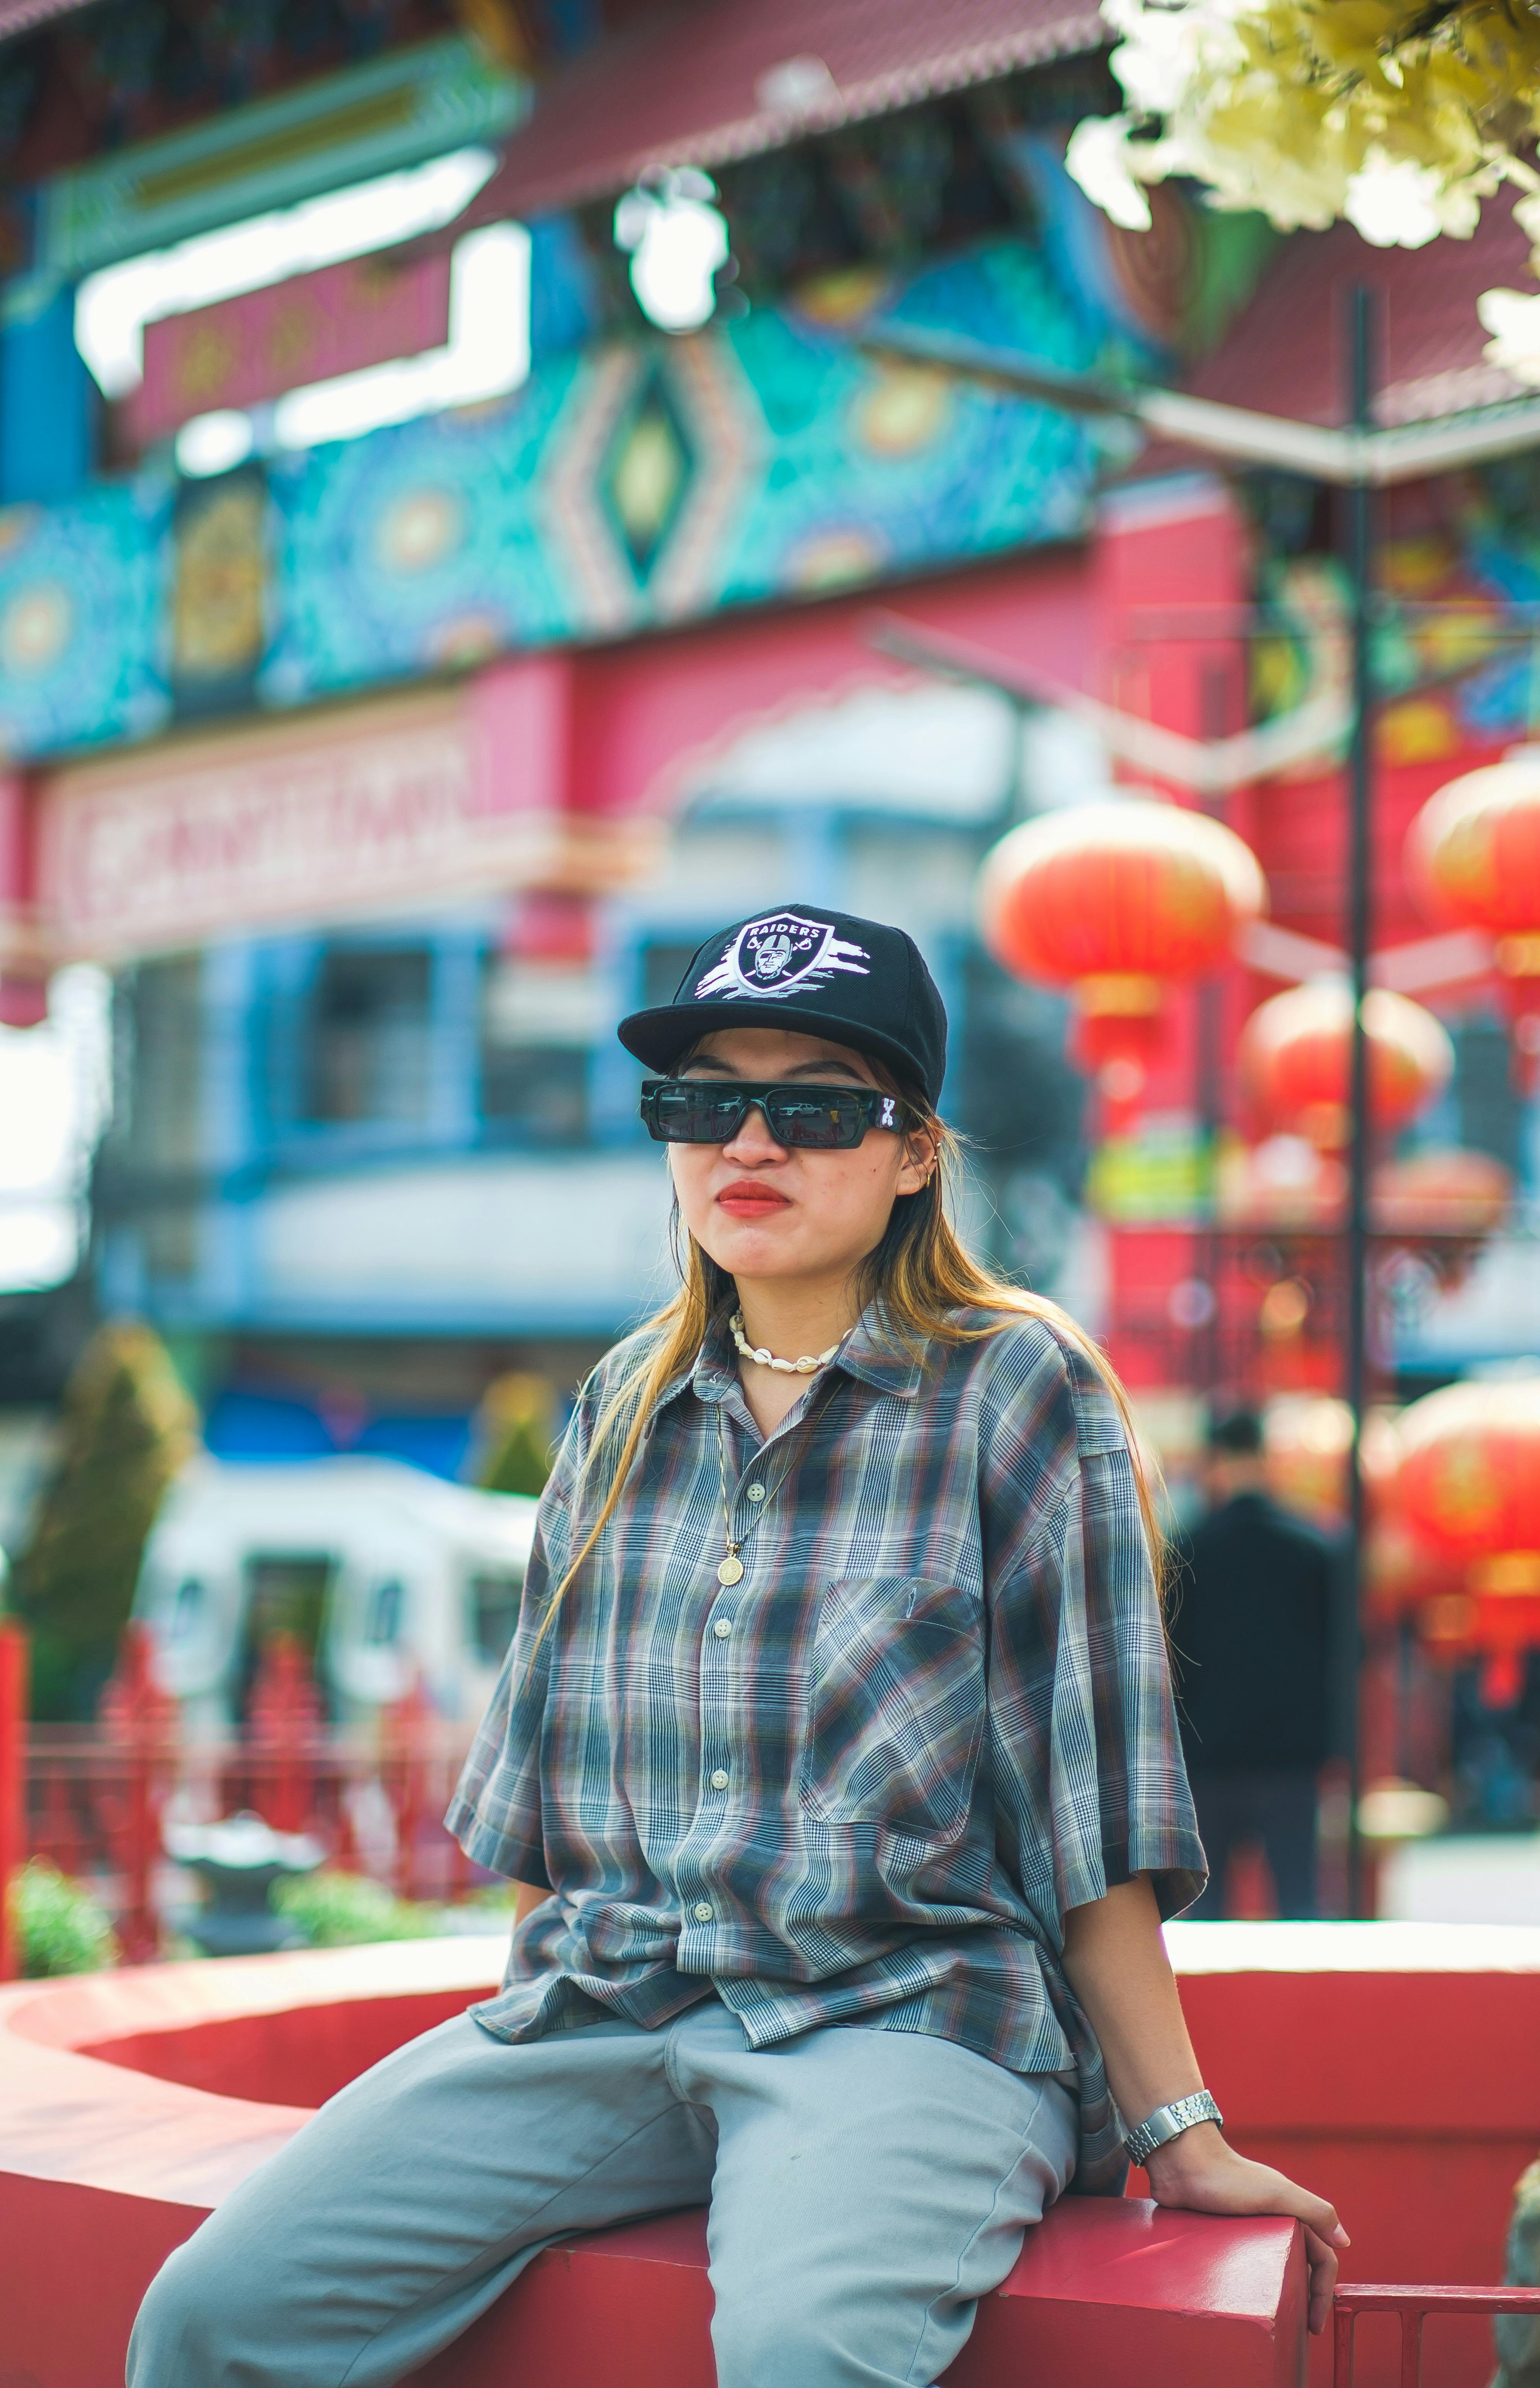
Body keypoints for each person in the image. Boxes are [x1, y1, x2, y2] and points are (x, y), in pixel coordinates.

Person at [129, 906, 1347, 2388]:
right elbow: (548, 1818)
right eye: (702, 1102)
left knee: (801, 2352)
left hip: (904, 2019)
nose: (747, 1145)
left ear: (912, 1153)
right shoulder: (619, 1403)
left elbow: (1088, 1821)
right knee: (212, 2316)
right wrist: (503, 2098)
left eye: (816, 1108)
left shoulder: (1016, 1389)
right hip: (611, 2004)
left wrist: (1177, 2135)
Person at [1173, 1407, 1338, 1920]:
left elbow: (1169, 1661)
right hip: (1292, 1759)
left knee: (1206, 1915)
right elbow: (1344, 1654)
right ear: (1265, 1460)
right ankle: (1311, 2006)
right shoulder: (1315, 1548)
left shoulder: (1187, 1550)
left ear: (1214, 1462)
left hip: (1208, 1760)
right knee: (1298, 1908)